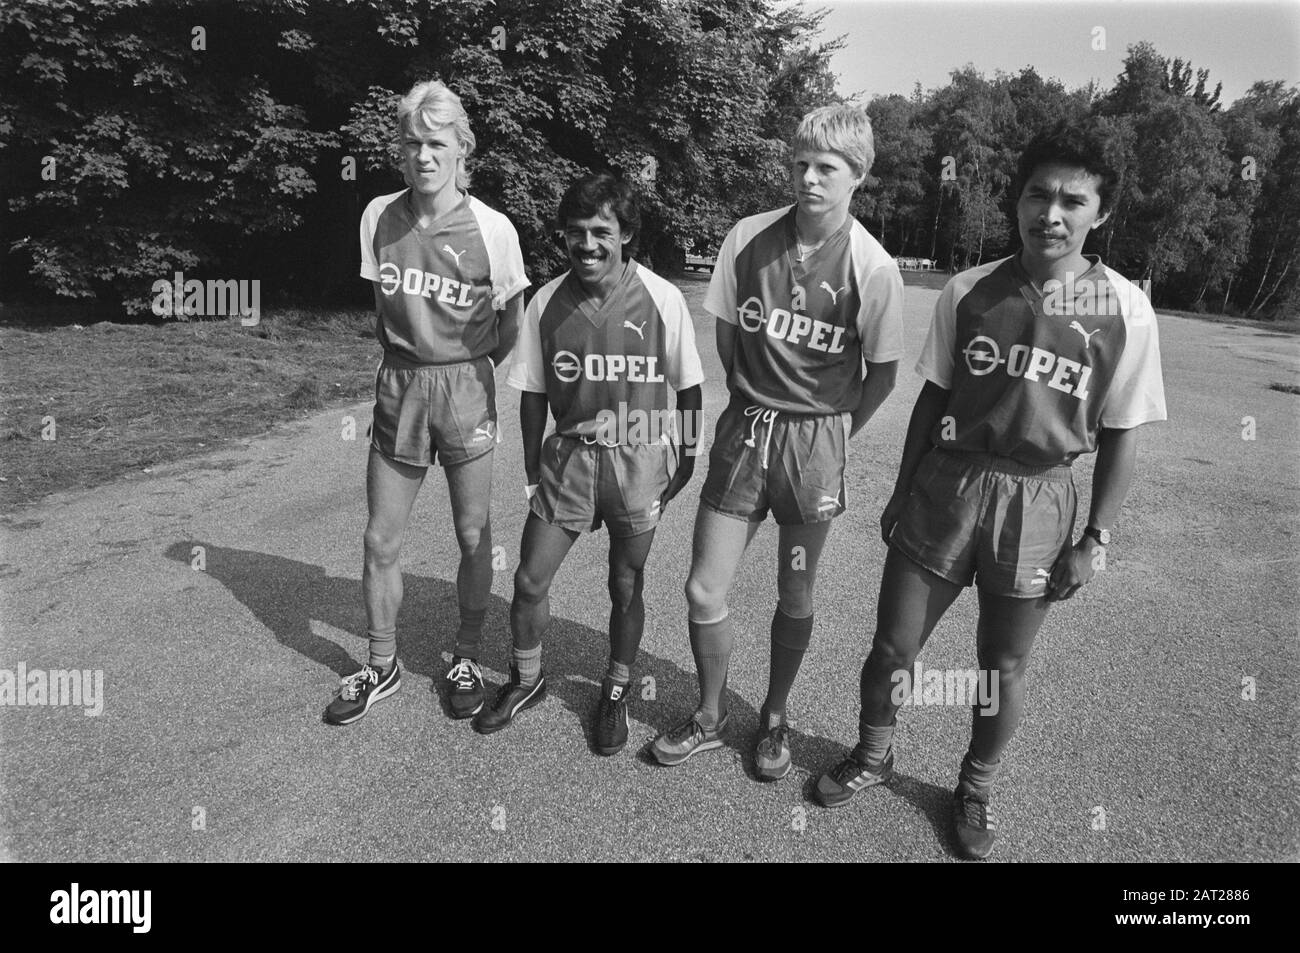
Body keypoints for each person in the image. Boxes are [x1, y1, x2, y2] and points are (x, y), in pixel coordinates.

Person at [812, 117, 1167, 860]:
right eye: (1039, 196)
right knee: (891, 647)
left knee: (1001, 666)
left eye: (1074, 201)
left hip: (1040, 499)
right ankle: (875, 755)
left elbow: (1124, 429)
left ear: (1099, 213)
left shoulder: (1123, 308)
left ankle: (973, 786)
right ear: (1016, 202)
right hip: (948, 487)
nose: (1052, 214)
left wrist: (1094, 538)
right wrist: (901, 490)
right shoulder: (972, 289)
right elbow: (933, 398)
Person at [650, 104, 904, 779]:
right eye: (801, 164)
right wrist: (752, 397)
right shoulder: (747, 237)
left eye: (827, 168)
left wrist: (833, 431)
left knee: (795, 594)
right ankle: (710, 714)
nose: (809, 178)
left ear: (858, 177)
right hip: (746, 430)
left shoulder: (874, 268)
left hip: (813, 446)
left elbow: (882, 374)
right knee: (704, 589)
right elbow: (730, 334)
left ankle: (774, 714)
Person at [474, 173, 704, 756]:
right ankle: (527, 680)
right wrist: (531, 468)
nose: (588, 244)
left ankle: (617, 687)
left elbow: (690, 385)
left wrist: (689, 456)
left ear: (626, 233)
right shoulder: (548, 301)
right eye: (576, 232)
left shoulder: (661, 297)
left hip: (638, 458)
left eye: (602, 231)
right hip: (570, 459)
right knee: (528, 579)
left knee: (624, 584)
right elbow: (529, 390)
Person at [325, 80, 529, 725]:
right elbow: (382, 307)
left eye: (437, 143)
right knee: (380, 538)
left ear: (462, 147)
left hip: (466, 384)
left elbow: (513, 322)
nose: (423, 156)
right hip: (400, 386)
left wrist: (470, 372)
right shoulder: (377, 216)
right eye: (412, 143)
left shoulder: (494, 229)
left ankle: (465, 654)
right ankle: (381, 663)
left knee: (473, 534)